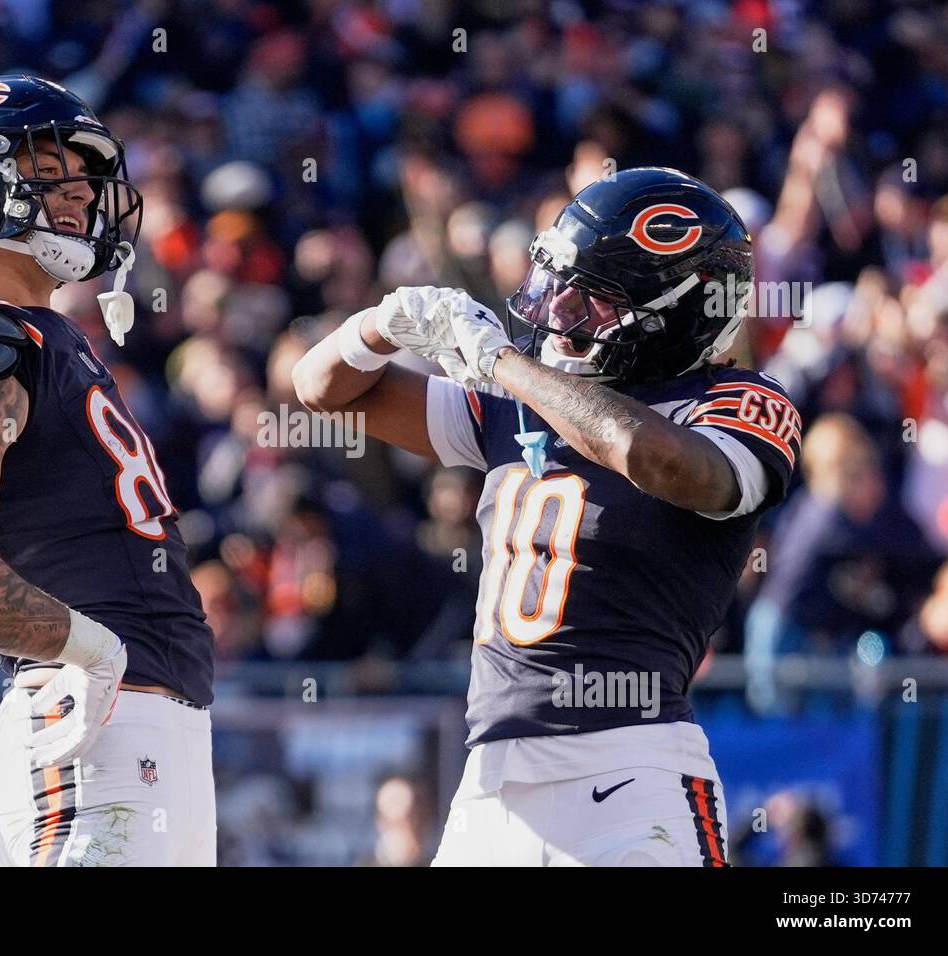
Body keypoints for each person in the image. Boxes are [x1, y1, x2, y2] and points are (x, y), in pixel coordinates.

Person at [293, 167, 803, 866]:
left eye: (590, 300)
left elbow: (654, 458)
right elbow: (322, 391)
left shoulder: (740, 401)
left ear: (673, 312)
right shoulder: (524, 402)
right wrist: (381, 324)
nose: (559, 312)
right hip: (491, 782)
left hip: (630, 768)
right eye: (558, 285)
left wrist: (498, 361)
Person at [0, 75, 216, 866]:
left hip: (125, 724)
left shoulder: (33, 334)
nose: (80, 196)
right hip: (97, 730)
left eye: (83, 177)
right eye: (45, 169)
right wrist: (88, 650)